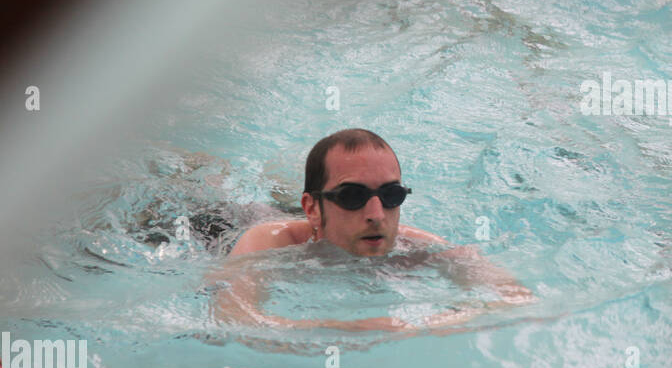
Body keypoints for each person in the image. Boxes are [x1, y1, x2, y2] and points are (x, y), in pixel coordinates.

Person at [209, 128, 533, 334]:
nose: (377, 215)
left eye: (391, 196)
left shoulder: (418, 246)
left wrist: (425, 325)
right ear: (311, 208)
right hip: (224, 222)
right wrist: (348, 329)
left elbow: (517, 298)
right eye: (353, 197)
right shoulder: (269, 242)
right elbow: (231, 322)